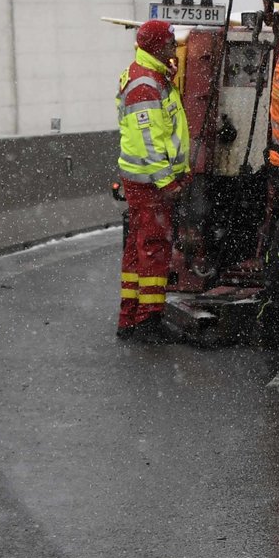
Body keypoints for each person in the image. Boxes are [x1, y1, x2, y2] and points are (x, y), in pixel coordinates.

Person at [117, 19, 190, 341]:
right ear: (157, 46)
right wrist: (167, 182)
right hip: (151, 182)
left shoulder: (150, 76)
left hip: (144, 180)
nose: (174, 47)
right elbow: (150, 140)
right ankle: (148, 321)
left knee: (137, 247)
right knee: (154, 249)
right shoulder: (146, 83)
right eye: (170, 42)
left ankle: (129, 318)